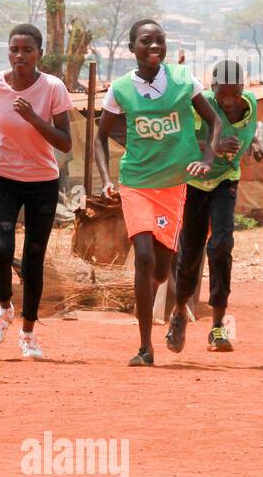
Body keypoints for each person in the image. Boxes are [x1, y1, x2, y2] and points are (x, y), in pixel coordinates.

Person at [93, 19, 222, 366]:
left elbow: (214, 122)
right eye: (146, 41)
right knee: (145, 257)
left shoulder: (183, 80)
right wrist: (106, 177)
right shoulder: (120, 89)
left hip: (174, 185)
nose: (154, 47)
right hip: (135, 182)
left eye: (159, 41)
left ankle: (179, 309)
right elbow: (100, 137)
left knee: (165, 269)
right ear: (132, 48)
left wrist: (207, 158)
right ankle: (144, 347)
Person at [0, 23, 73, 359]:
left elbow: (65, 141)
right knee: (0, 249)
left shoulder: (53, 88)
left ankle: (28, 333)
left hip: (43, 181)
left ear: (39, 54)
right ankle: (4, 308)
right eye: (14, 49)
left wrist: (33, 118)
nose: (20, 56)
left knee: (33, 260)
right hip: (4, 177)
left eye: (27, 50)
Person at [165, 59, 258, 354]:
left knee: (221, 246)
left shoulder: (252, 105)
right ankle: (179, 311)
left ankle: (217, 326)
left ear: (244, 88)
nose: (229, 101)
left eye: (235, 93)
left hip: (226, 181)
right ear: (212, 87)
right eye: (223, 93)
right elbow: (182, 139)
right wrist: (213, 147)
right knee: (190, 252)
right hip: (195, 183)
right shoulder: (201, 103)